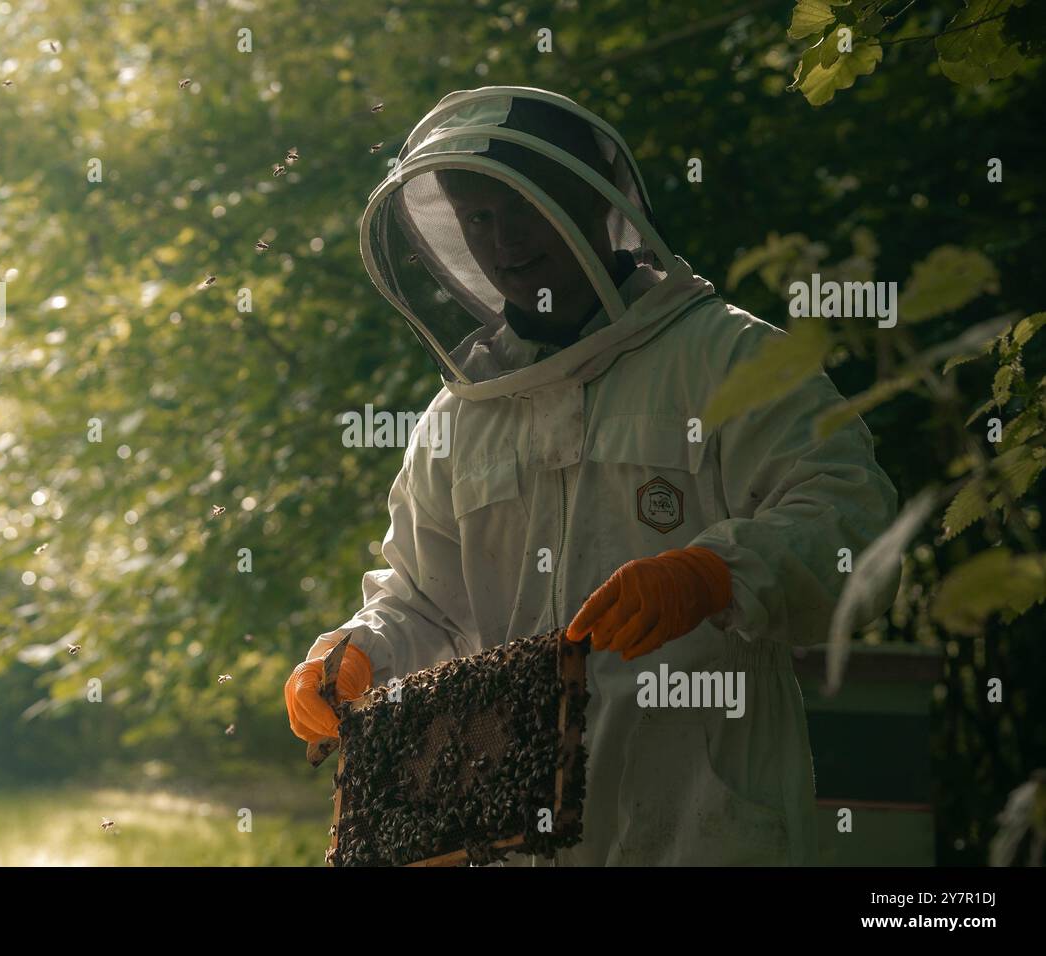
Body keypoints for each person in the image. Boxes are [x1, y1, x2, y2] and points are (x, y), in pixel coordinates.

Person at [284, 86, 901, 865]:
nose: (504, 241)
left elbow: (857, 523)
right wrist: (361, 652)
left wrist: (715, 574)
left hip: (703, 830)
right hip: (511, 841)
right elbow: (425, 603)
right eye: (477, 218)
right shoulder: (459, 419)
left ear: (595, 198)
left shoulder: (727, 357)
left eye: (523, 208)